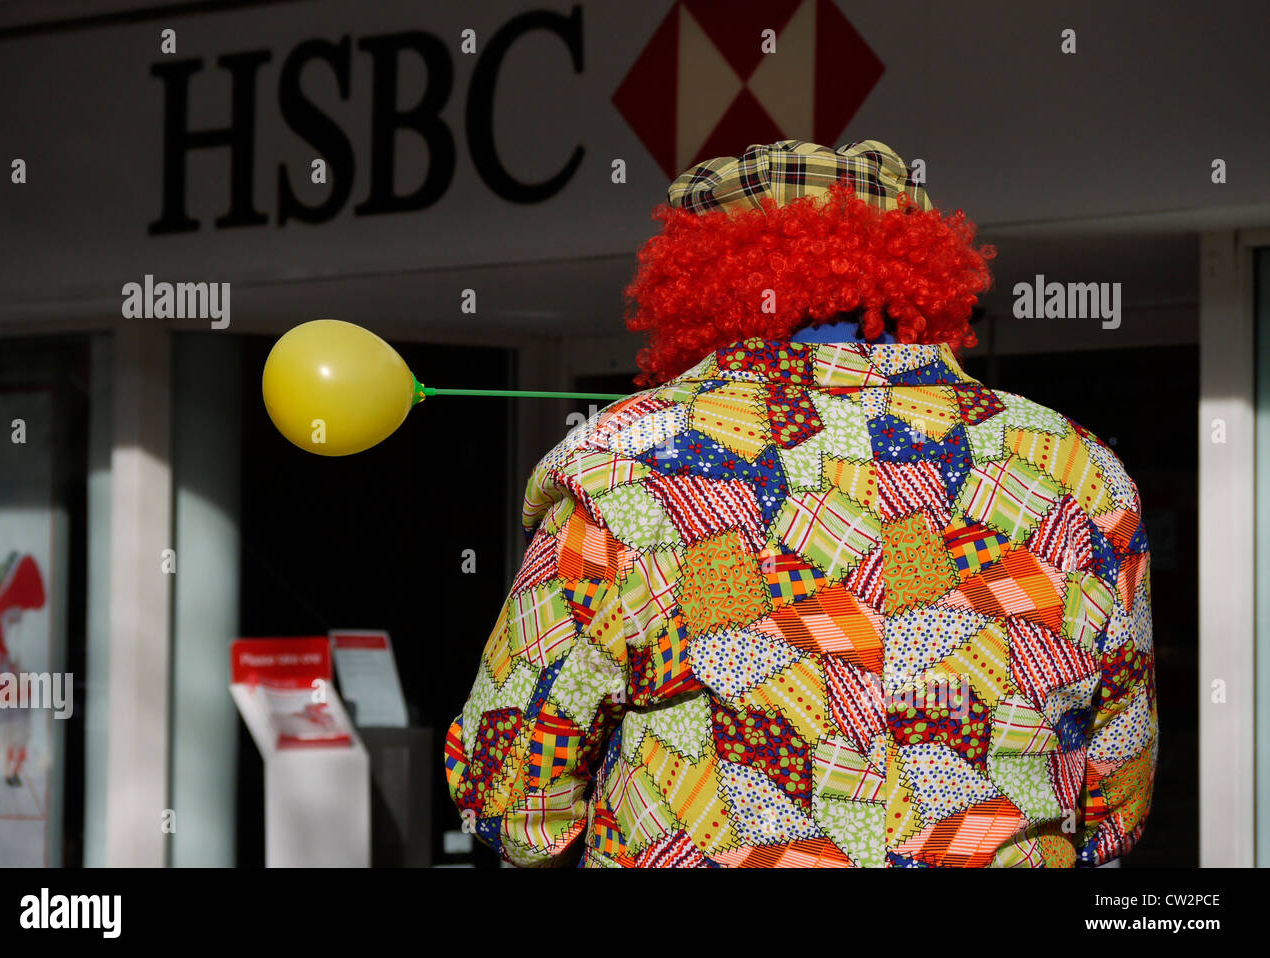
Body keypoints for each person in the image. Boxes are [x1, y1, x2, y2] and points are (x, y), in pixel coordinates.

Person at [443, 140, 1157, 868]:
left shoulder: (624, 463)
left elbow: (509, 782)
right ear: (917, 266)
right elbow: (1118, 785)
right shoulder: (1074, 465)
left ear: (693, 280)